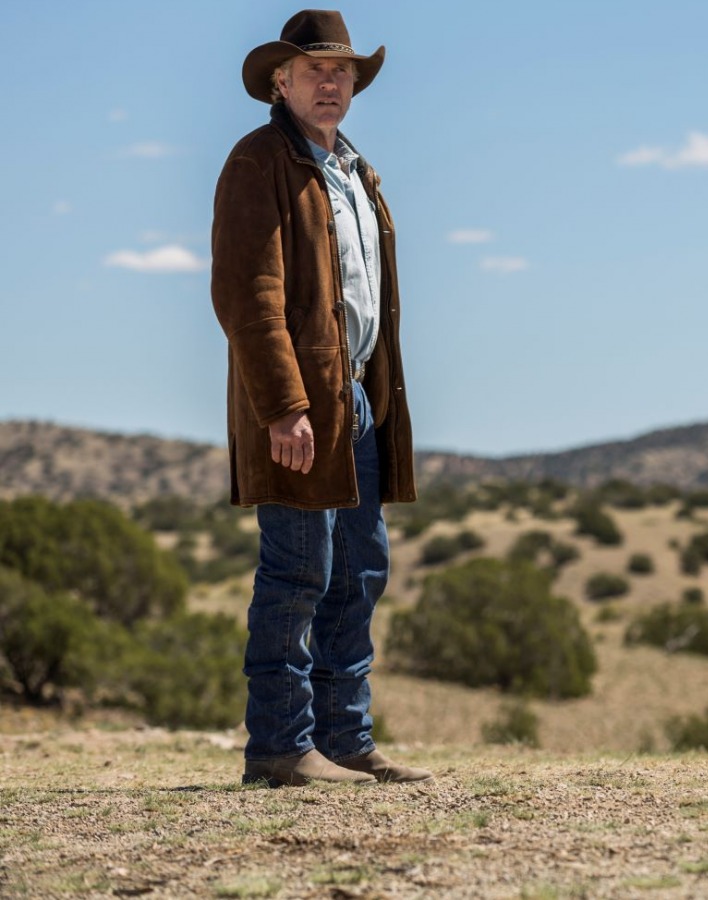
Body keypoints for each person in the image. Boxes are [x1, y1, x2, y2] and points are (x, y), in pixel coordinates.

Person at [211, 9, 429, 786]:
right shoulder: (258, 160)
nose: (331, 83)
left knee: (358, 575)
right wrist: (284, 406)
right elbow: (248, 295)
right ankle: (279, 747)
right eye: (314, 71)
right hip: (303, 407)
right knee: (298, 573)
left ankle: (343, 740)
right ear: (280, 81)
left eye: (342, 72)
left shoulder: (355, 170)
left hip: (359, 404)